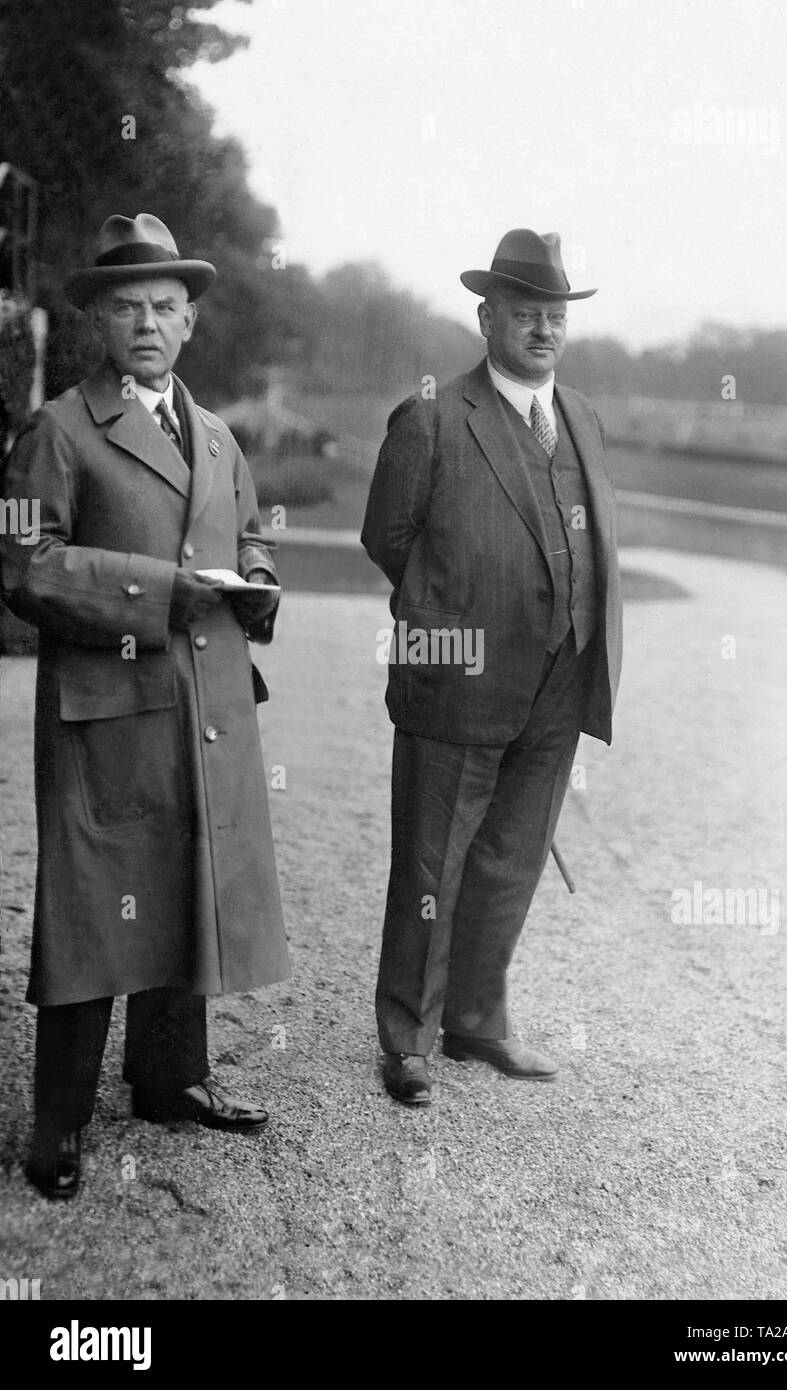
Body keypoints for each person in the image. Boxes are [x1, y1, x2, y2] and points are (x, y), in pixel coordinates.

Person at [0, 213, 290, 1198]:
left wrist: (257, 577)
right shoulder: (58, 429)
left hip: (204, 704)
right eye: (127, 308)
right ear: (97, 323)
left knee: (185, 888)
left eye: (166, 307)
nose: (149, 324)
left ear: (192, 323)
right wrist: (163, 590)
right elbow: (21, 561)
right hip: (107, 708)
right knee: (90, 915)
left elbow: (251, 534)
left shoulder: (215, 434)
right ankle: (59, 1125)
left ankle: (171, 1080)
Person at [361, 228, 622, 1106]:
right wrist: (453, 614)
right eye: (524, 314)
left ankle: (476, 1021)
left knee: (509, 858)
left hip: (561, 677)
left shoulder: (579, 417)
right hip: (457, 677)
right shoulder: (433, 416)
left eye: (553, 316)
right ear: (486, 318)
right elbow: (386, 538)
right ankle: (407, 1037)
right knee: (431, 866)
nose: (542, 330)